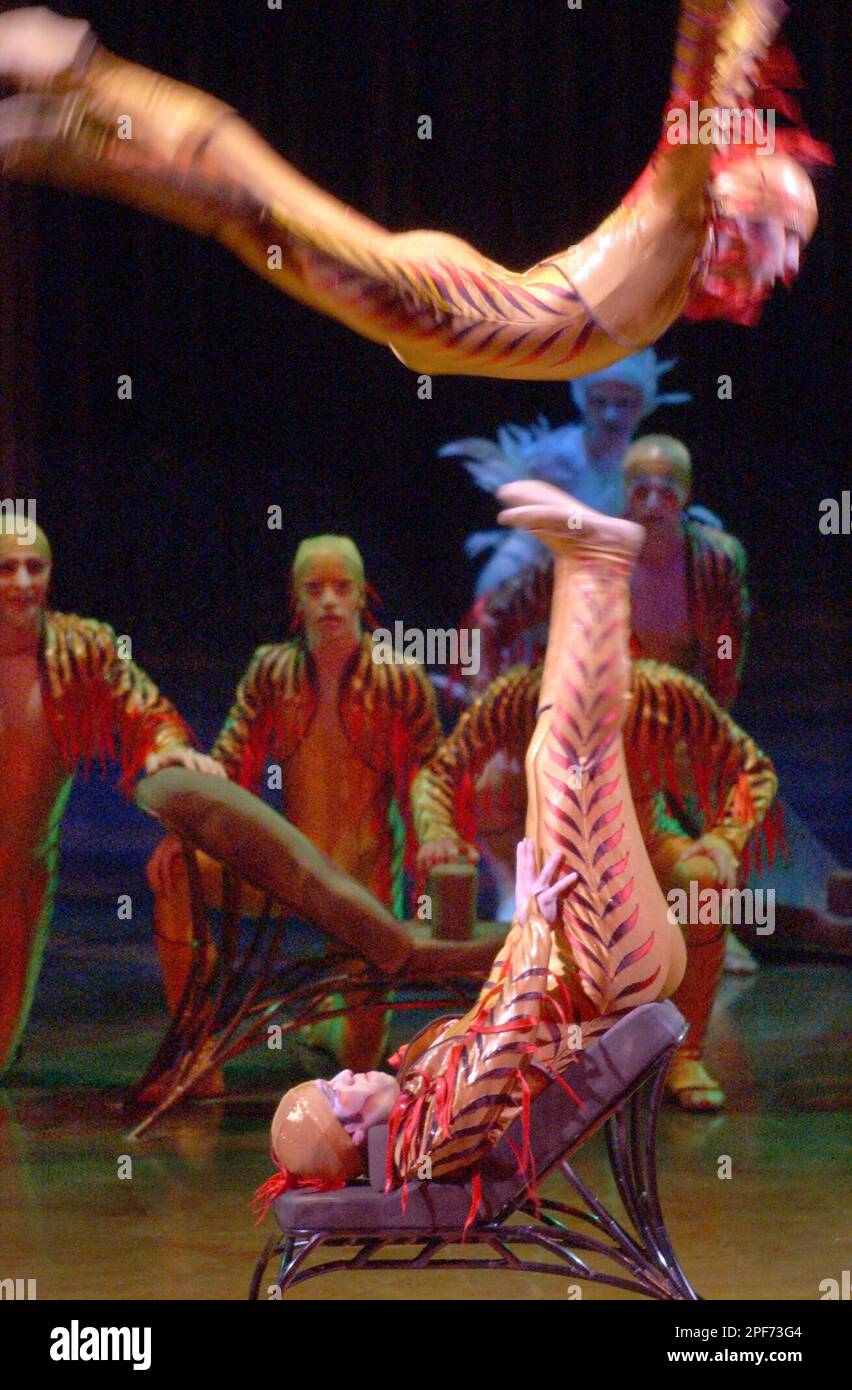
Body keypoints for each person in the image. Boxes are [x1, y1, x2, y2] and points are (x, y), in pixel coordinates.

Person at [257, 484, 704, 1200]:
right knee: (569, 765)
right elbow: (504, 1042)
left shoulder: (414, 1097)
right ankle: (593, 564)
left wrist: (533, 922)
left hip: (584, 967)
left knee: (545, 760)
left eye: (328, 1080)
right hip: (606, 981)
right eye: (338, 1102)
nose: (342, 1076)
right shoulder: (431, 1138)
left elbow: (495, 1017)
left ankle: (583, 567)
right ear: (357, 1145)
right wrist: (532, 919)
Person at [0, 3, 821, 384]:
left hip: (455, 309)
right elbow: (708, 88)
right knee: (242, 202)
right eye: (790, 218)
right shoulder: (681, 219)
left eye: (796, 234)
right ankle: (73, 79)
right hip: (445, 306)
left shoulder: (681, 235)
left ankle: (70, 114)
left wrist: (740, 24)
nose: (790, 254)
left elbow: (706, 92)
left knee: (240, 207)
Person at [410, 656, 778, 1110]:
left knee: (701, 881)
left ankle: (684, 1053)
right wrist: (438, 833)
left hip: (642, 844)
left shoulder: (665, 692)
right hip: (560, 859)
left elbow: (752, 768)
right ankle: (558, 1053)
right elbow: (440, 771)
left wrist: (726, 839)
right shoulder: (521, 697)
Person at [147, 535, 442, 1073]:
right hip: (291, 876)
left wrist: (439, 836)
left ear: (361, 597)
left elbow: (429, 775)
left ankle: (335, 1016)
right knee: (174, 874)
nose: (329, 599)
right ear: (297, 601)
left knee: (360, 1066)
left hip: (363, 893)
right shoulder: (271, 672)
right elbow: (231, 764)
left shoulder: (399, 678)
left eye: (341, 587)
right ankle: (195, 1047)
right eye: (315, 588)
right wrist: (185, 834)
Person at [0, 514, 220, 1081]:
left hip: (24, 872)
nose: (23, 581)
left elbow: (142, 705)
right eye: (7, 568)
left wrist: (167, 744)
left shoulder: (82, 648)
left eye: (35, 567)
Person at [473, 434, 750, 709]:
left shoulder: (715, 562)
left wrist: (715, 710)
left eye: (666, 492)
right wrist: (488, 691)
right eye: (642, 491)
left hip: (680, 716)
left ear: (686, 495)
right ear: (626, 493)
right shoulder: (588, 553)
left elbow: (727, 643)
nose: (653, 505)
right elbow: (495, 616)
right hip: (595, 712)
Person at [442, 350, 691, 601]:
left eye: (623, 403)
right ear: (584, 401)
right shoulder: (555, 455)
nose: (610, 415)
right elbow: (528, 535)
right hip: (547, 568)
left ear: (641, 405)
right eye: (600, 402)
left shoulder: (648, 467)